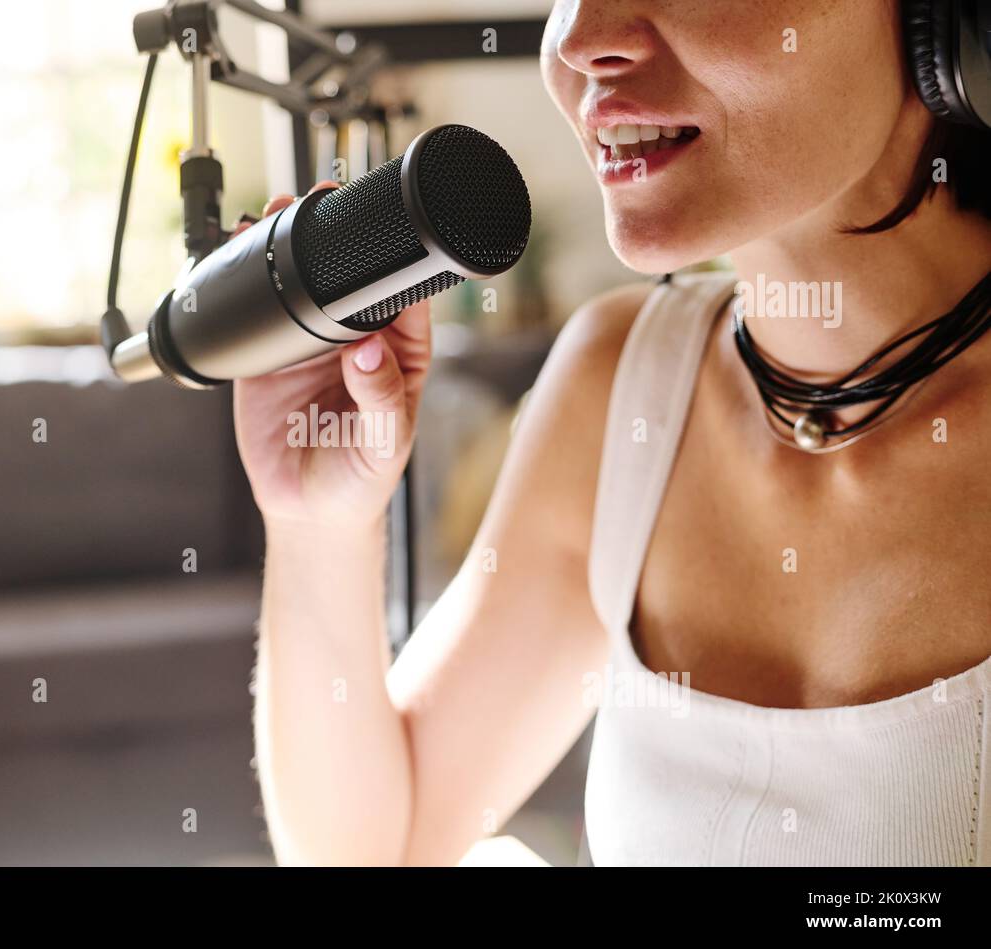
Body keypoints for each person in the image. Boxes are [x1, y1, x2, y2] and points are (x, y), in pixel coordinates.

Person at [234, 1, 991, 866]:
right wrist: (315, 527)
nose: (584, 42)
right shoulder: (619, 383)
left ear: (945, 22)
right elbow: (380, 847)